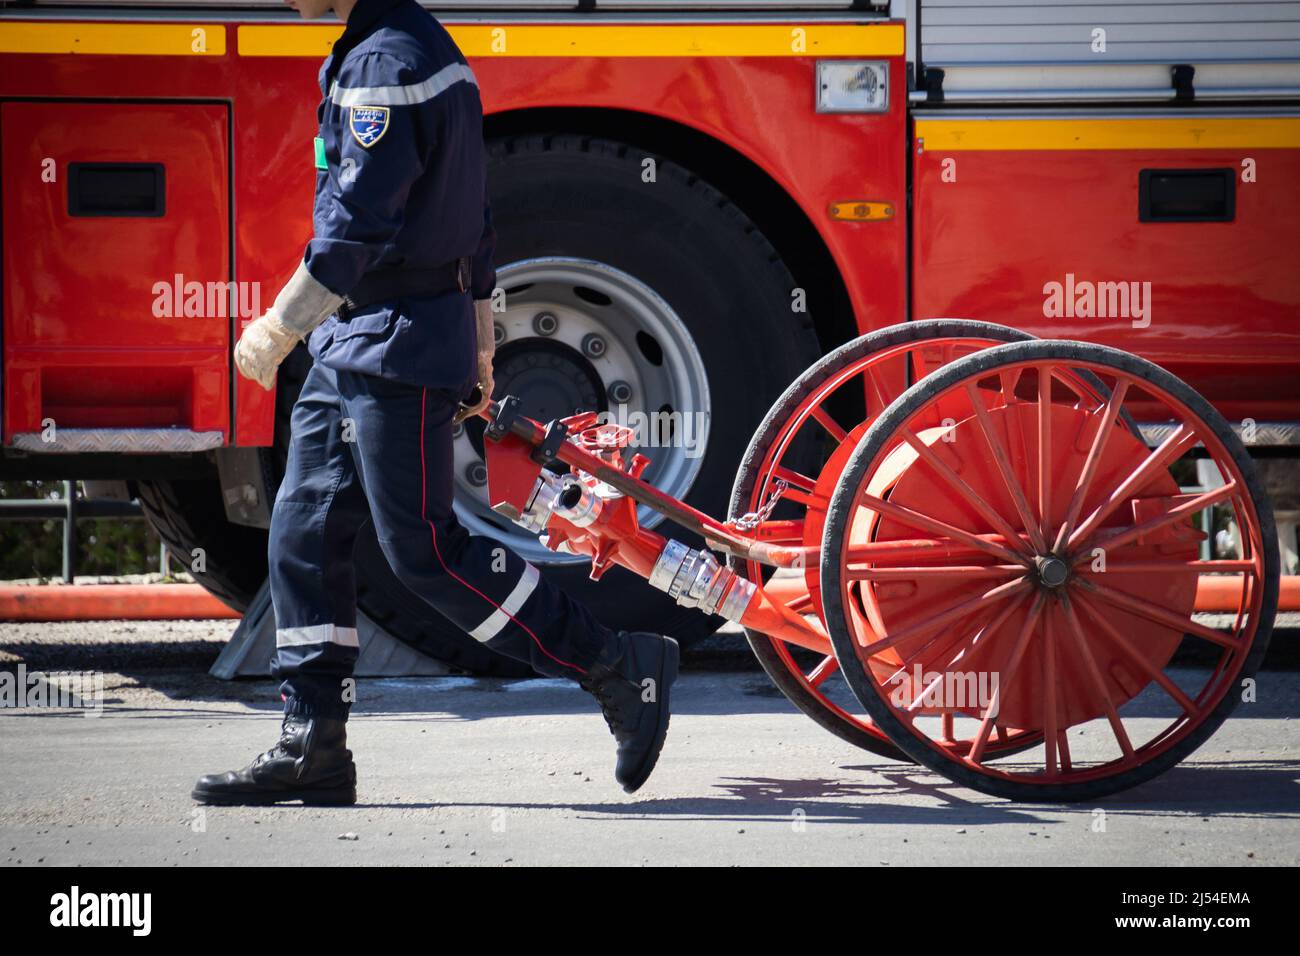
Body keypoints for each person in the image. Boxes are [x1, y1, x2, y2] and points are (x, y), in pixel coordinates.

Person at [192, 0, 678, 806]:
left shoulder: (387, 64)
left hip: (397, 340)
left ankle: (618, 667)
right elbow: (472, 218)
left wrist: (278, 328)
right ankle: (313, 740)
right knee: (303, 533)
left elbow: (354, 228)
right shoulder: (403, 48)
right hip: (362, 340)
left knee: (425, 551)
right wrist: (482, 342)